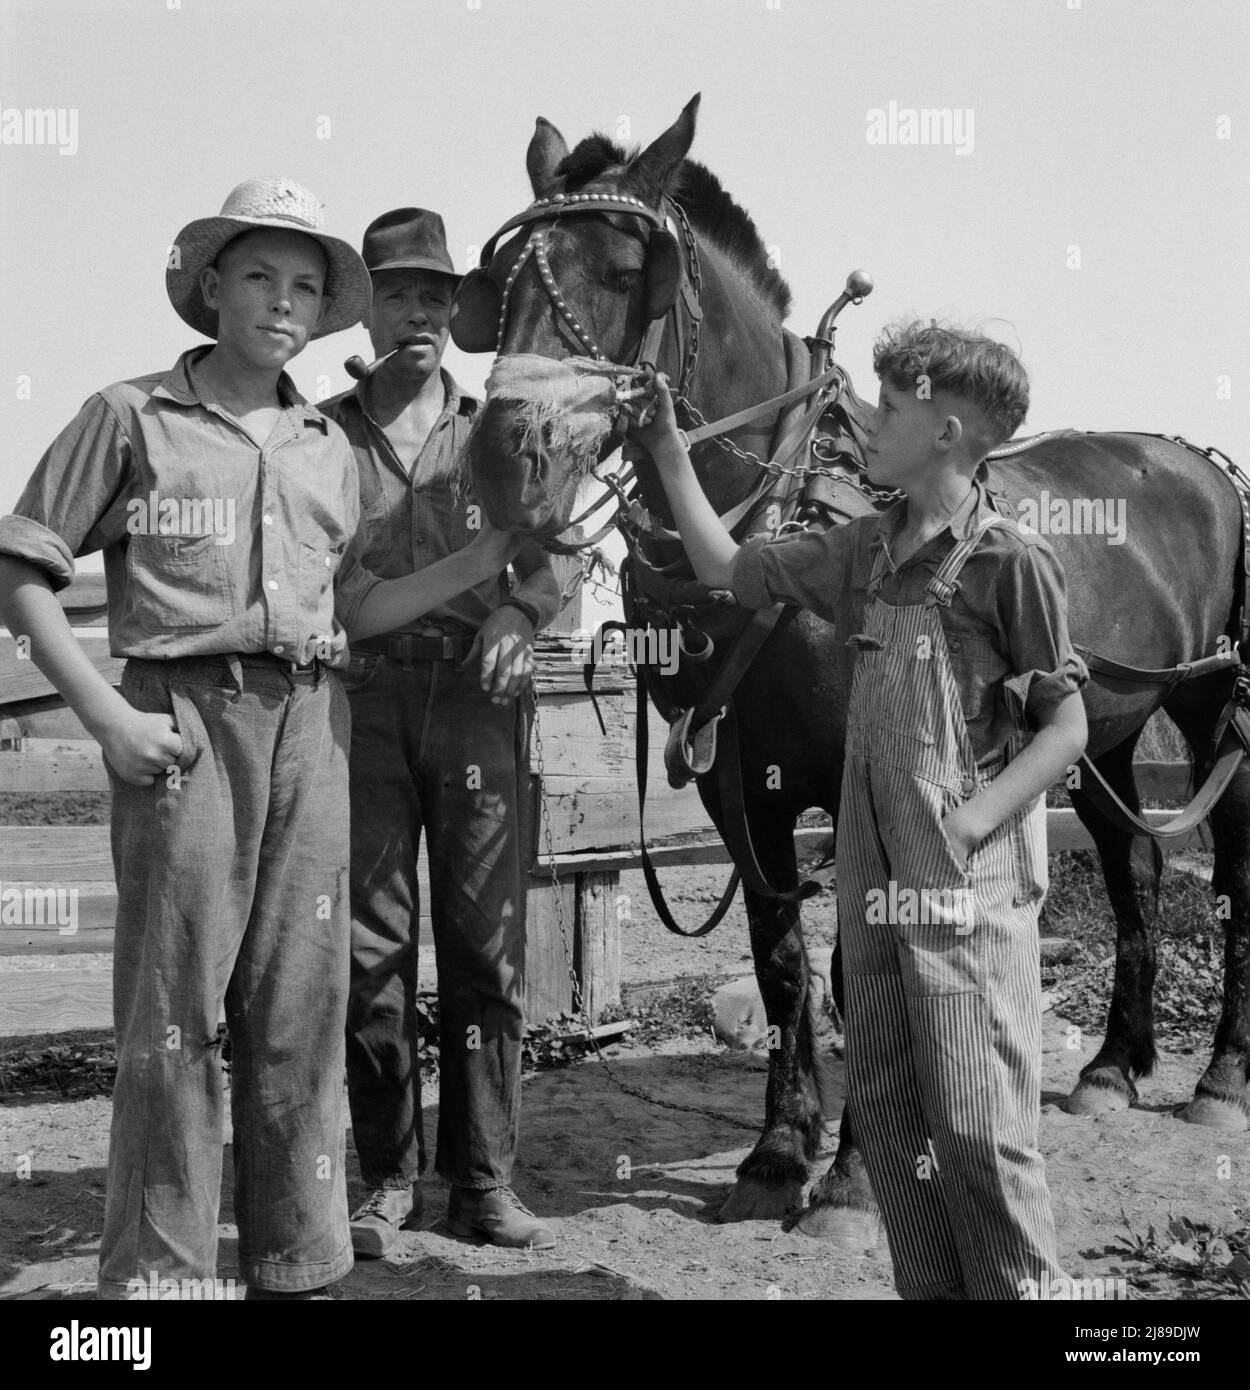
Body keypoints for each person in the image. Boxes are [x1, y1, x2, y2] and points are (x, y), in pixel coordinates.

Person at [0, 180, 518, 1299]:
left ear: (324, 308)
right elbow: (23, 566)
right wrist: (109, 716)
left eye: (302, 286)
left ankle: (300, 1258)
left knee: (301, 1007)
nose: (280, 302)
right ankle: (160, 1276)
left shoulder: (328, 441)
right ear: (210, 288)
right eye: (257, 277)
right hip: (185, 722)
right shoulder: (128, 415)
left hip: (315, 727)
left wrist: (481, 566)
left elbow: (358, 600)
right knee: (176, 1013)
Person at [624, 322, 1089, 1300]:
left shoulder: (1013, 563)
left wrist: (967, 825)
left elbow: (1064, 728)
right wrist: (668, 449)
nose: (861, 417)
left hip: (964, 878)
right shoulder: (856, 550)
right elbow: (723, 569)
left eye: (889, 406)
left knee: (973, 1116)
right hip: (872, 878)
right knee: (883, 1110)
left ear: (948, 431)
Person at [320, 209, 562, 1255]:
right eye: (398, 292)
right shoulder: (317, 434)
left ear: (457, 310)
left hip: (475, 702)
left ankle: (483, 1182)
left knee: (485, 954)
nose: (418, 311)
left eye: (435, 294)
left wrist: (518, 611)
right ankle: (383, 1181)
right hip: (361, 702)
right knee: (369, 954)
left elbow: (549, 560)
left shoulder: (502, 431)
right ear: (364, 308)